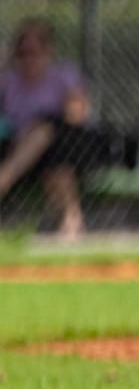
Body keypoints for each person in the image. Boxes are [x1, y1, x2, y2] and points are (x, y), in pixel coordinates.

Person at [0, 19, 93, 239]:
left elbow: (77, 115)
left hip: (67, 140)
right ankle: (72, 219)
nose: (29, 59)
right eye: (22, 53)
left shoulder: (63, 76)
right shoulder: (9, 82)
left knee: (47, 137)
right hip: (19, 146)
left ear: (47, 51)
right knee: (47, 153)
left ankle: (3, 179)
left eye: (34, 52)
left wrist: (40, 126)